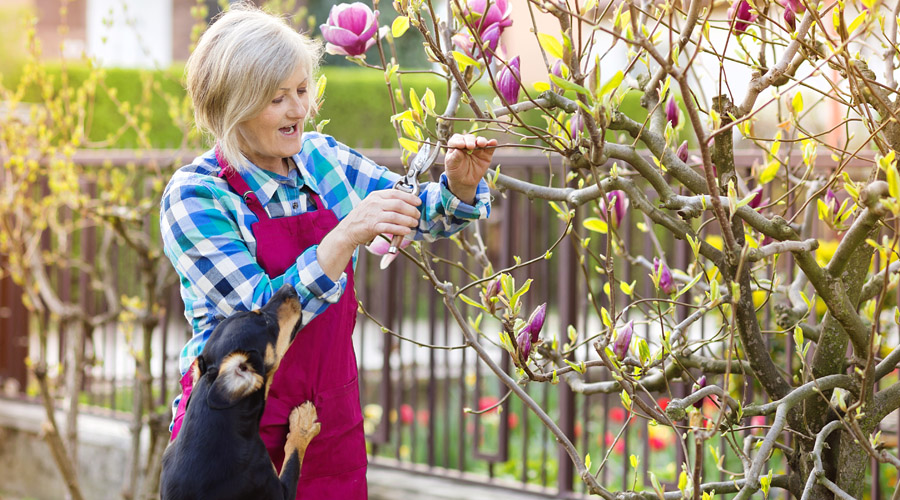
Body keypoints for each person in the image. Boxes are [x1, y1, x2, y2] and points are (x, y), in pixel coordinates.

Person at [159, 3, 496, 499]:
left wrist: (459, 189)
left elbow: (414, 210)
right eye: (278, 99)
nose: (300, 110)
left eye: (301, 89)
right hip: (227, 443)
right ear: (234, 106)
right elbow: (260, 319)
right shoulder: (197, 197)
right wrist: (341, 238)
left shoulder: (321, 158)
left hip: (327, 423)